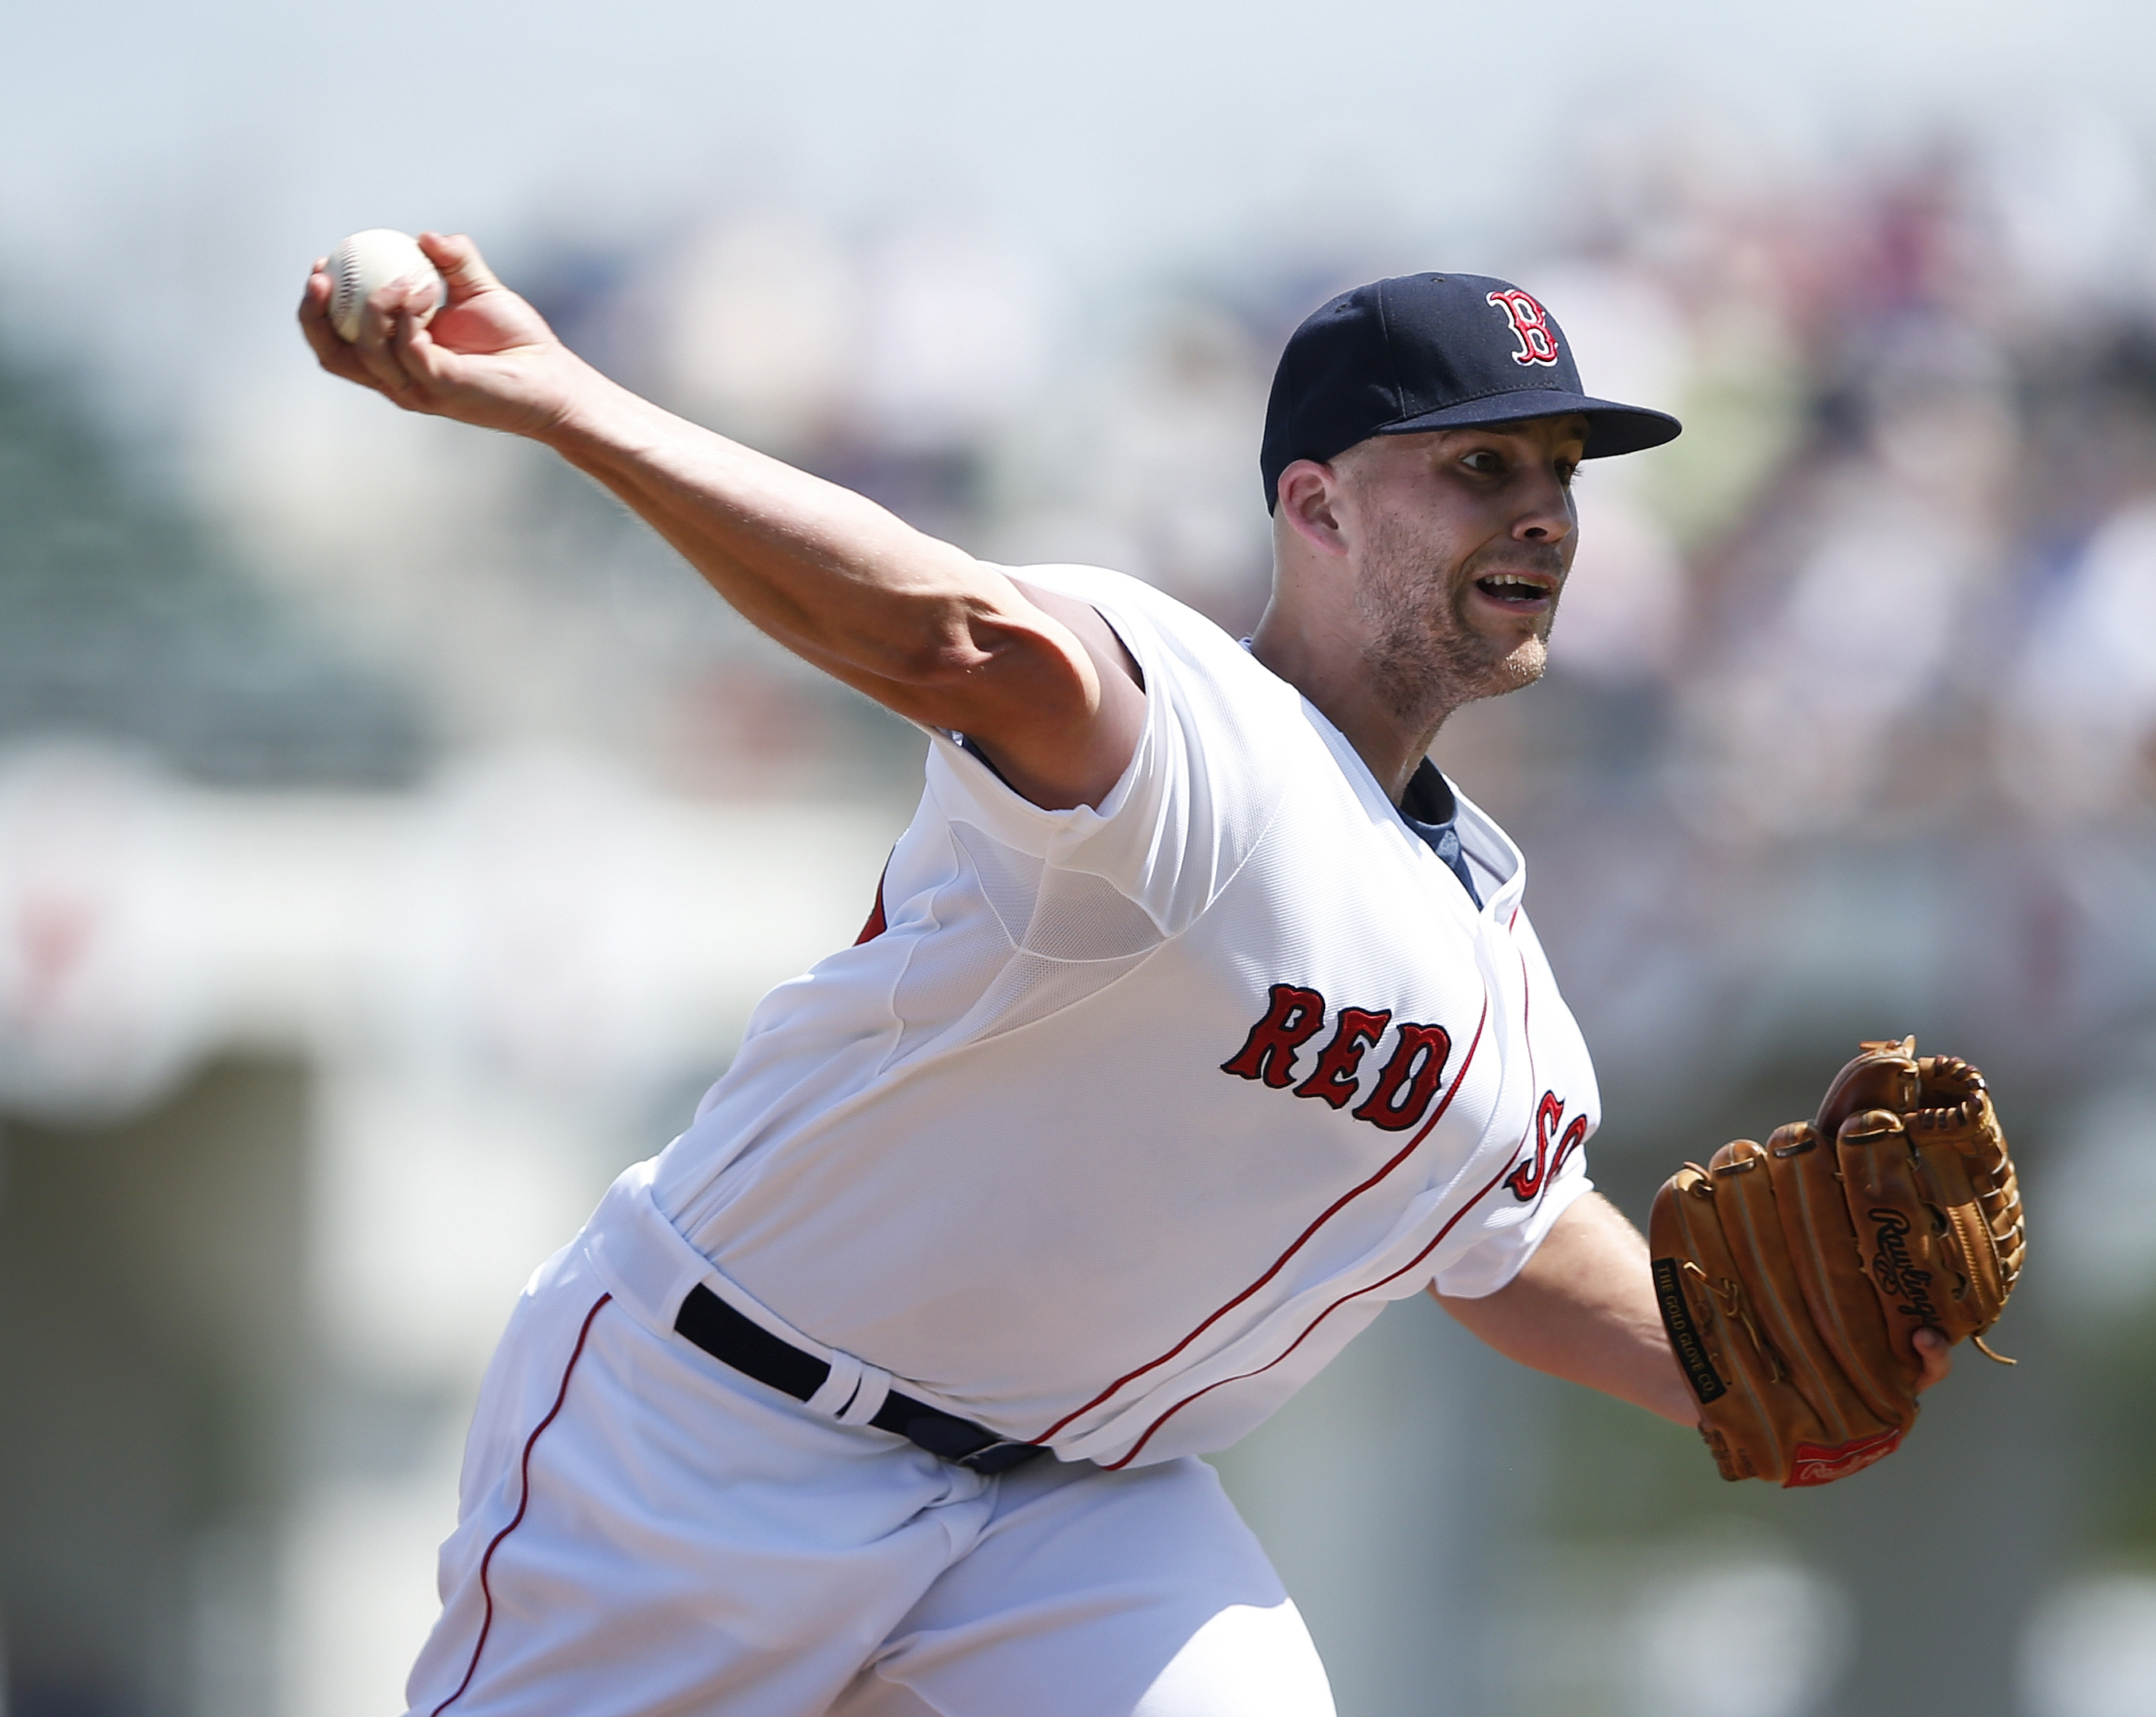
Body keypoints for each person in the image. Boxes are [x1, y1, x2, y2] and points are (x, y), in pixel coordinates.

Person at [299, 242, 1951, 1717]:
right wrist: (570, 403)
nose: (1540, 508)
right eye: (1477, 464)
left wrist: (1745, 1358)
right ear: (1314, 504)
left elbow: (1501, 1233)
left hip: (1073, 1507)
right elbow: (950, 639)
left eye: (1559, 474)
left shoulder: (1499, 965)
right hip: (712, 1430)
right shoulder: (1192, 736)